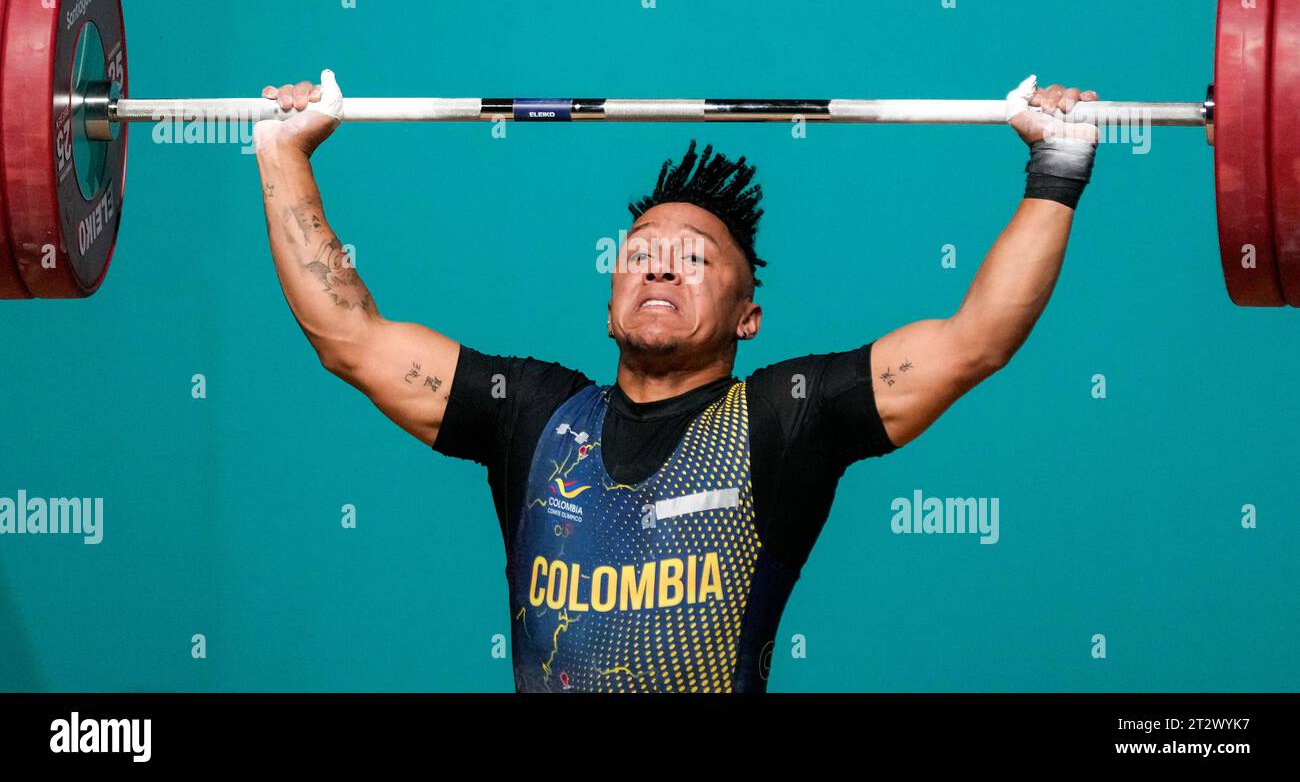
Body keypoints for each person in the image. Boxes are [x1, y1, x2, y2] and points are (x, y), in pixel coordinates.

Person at [252, 70, 1100, 692]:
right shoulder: (534, 416)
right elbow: (351, 340)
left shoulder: (787, 418)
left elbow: (975, 341)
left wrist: (1055, 171)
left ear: (748, 317)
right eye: (643, 253)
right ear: (610, 301)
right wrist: (283, 152)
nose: (662, 267)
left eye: (694, 258)